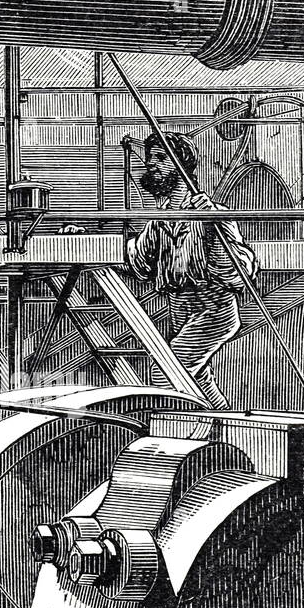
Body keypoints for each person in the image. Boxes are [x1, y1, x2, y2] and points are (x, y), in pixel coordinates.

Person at [123, 131, 257, 409]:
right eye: (150, 159)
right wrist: (84, 236)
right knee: (201, 383)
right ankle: (226, 428)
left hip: (213, 311)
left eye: (161, 159)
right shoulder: (161, 221)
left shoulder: (213, 213)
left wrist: (211, 223)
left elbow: (240, 272)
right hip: (180, 309)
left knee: (165, 376)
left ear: (182, 167)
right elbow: (139, 262)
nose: (151, 165)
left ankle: (171, 436)